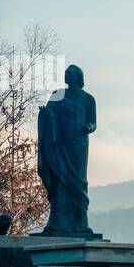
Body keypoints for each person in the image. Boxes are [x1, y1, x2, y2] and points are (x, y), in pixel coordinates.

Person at [37, 64, 97, 235]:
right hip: (58, 144)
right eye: (65, 72)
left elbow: (93, 122)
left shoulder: (88, 99)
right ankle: (57, 222)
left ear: (78, 76)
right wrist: (45, 115)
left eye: (70, 72)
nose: (66, 74)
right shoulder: (57, 95)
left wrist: (88, 126)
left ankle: (80, 223)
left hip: (78, 145)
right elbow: (48, 114)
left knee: (78, 182)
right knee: (59, 181)